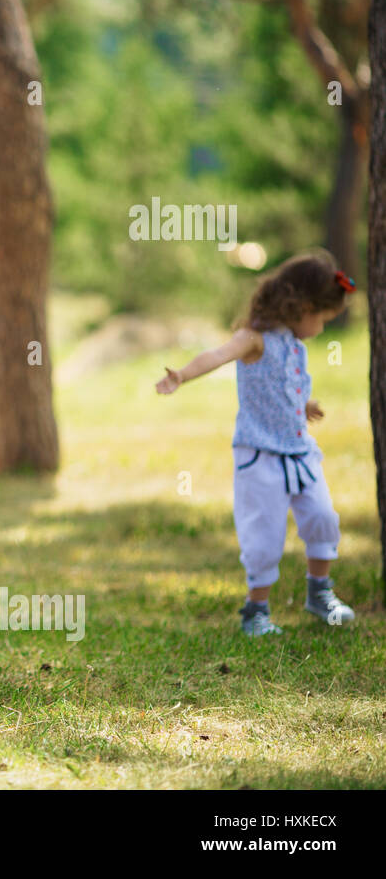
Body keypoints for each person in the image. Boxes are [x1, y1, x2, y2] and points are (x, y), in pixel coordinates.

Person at [155, 252, 356, 636]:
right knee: (264, 535)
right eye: (322, 319)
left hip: (299, 451)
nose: (321, 328)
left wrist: (303, 404)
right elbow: (217, 355)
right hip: (260, 457)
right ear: (303, 307)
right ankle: (256, 609)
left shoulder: (296, 345)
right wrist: (183, 374)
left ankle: (319, 592)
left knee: (323, 517)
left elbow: (282, 387)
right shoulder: (254, 339)